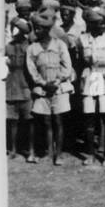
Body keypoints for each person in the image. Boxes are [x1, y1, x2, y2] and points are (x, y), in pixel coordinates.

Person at [26, 9, 74, 165]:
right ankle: (49, 151)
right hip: (43, 88)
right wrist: (43, 83)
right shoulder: (32, 48)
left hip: (58, 87)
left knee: (58, 120)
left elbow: (67, 66)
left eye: (39, 28)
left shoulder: (59, 45)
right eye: (35, 28)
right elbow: (31, 70)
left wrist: (57, 82)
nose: (36, 31)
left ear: (47, 30)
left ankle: (58, 154)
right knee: (46, 121)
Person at [76, 7, 105, 165]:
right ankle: (90, 154)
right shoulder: (82, 40)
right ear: (91, 24)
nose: (102, 26)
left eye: (103, 23)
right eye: (98, 23)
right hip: (89, 77)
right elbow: (79, 60)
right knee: (89, 118)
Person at [5, 18, 35, 162]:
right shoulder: (8, 46)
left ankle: (31, 149)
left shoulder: (29, 45)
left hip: (26, 83)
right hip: (12, 84)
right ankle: (13, 149)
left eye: (21, 30)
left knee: (29, 120)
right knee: (12, 120)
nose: (18, 33)